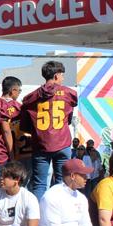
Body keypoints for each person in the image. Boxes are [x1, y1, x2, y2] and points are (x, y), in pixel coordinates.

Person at [20, 60, 78, 200]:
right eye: (62, 75)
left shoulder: (31, 97)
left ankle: (38, 213)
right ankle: (60, 211)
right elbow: (69, 118)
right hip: (62, 142)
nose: (63, 78)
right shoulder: (68, 93)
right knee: (62, 183)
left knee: (39, 184)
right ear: (57, 75)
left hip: (41, 144)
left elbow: (25, 125)